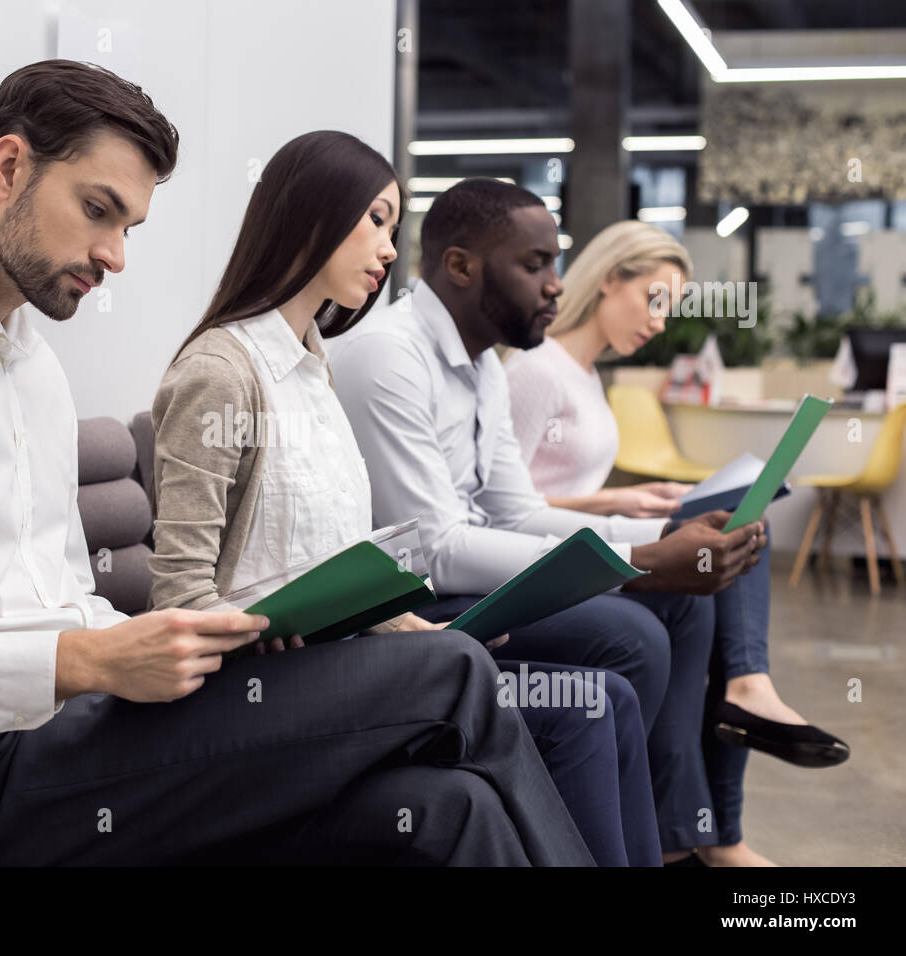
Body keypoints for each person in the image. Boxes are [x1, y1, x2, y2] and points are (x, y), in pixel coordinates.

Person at [0, 61, 593, 866]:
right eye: (98, 210)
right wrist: (79, 662)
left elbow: (60, 597)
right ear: (8, 166)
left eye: (128, 227)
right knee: (448, 669)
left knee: (450, 812)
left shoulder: (31, 364)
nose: (115, 255)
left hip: (75, 732)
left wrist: (178, 640)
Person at [149, 131, 660, 865]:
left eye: (394, 225)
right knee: (471, 671)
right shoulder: (222, 373)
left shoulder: (313, 371)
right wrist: (267, 625)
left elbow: (332, 561)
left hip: (338, 661)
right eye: (376, 221)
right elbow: (179, 597)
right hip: (260, 688)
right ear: (311, 216)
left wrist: (396, 625)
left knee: (592, 703)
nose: (391, 250)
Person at [331, 177, 771, 866]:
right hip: (414, 604)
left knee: (663, 620)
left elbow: (519, 512)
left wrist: (654, 541)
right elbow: (436, 550)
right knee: (631, 638)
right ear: (461, 266)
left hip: (466, 576)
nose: (557, 287)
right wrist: (641, 565)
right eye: (535, 265)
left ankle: (657, 838)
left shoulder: (486, 370)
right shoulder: (389, 356)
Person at [503, 219, 851, 864]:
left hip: (588, 539)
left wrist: (622, 498)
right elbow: (501, 508)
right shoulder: (537, 370)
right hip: (544, 559)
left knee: (734, 530)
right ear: (610, 279)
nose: (660, 323)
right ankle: (738, 734)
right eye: (654, 300)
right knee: (722, 551)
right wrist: (615, 503)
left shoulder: (584, 373)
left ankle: (732, 760)